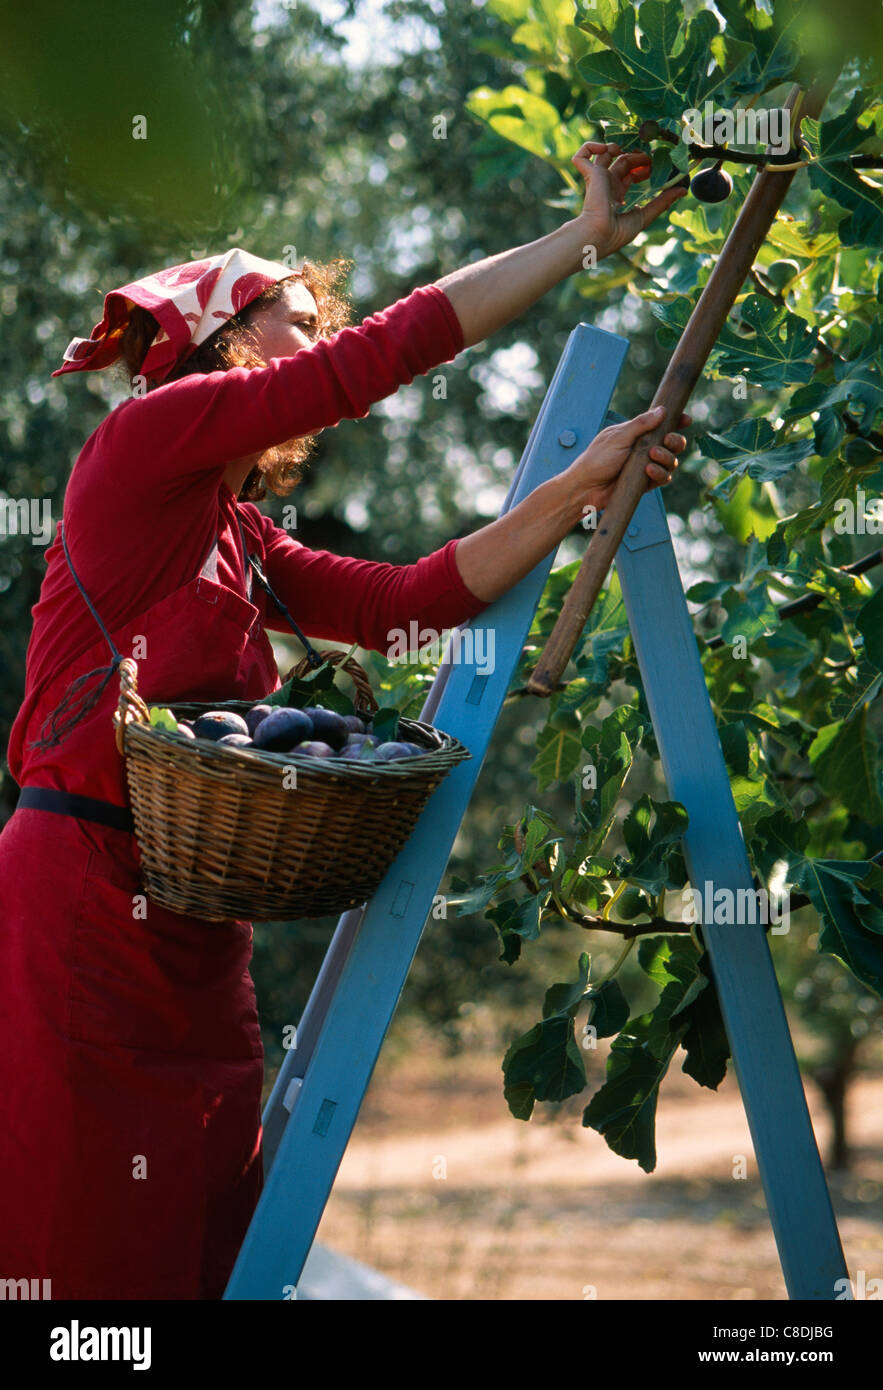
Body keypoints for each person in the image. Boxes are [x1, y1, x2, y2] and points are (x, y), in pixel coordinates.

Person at [0, 141, 690, 1299]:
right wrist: (581, 241)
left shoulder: (243, 538)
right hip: (78, 909)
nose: (318, 333)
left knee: (213, 1221)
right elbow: (381, 358)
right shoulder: (140, 444)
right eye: (293, 314)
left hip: (189, 926)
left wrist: (576, 491)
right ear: (225, 337)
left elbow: (409, 603)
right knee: (81, 1244)